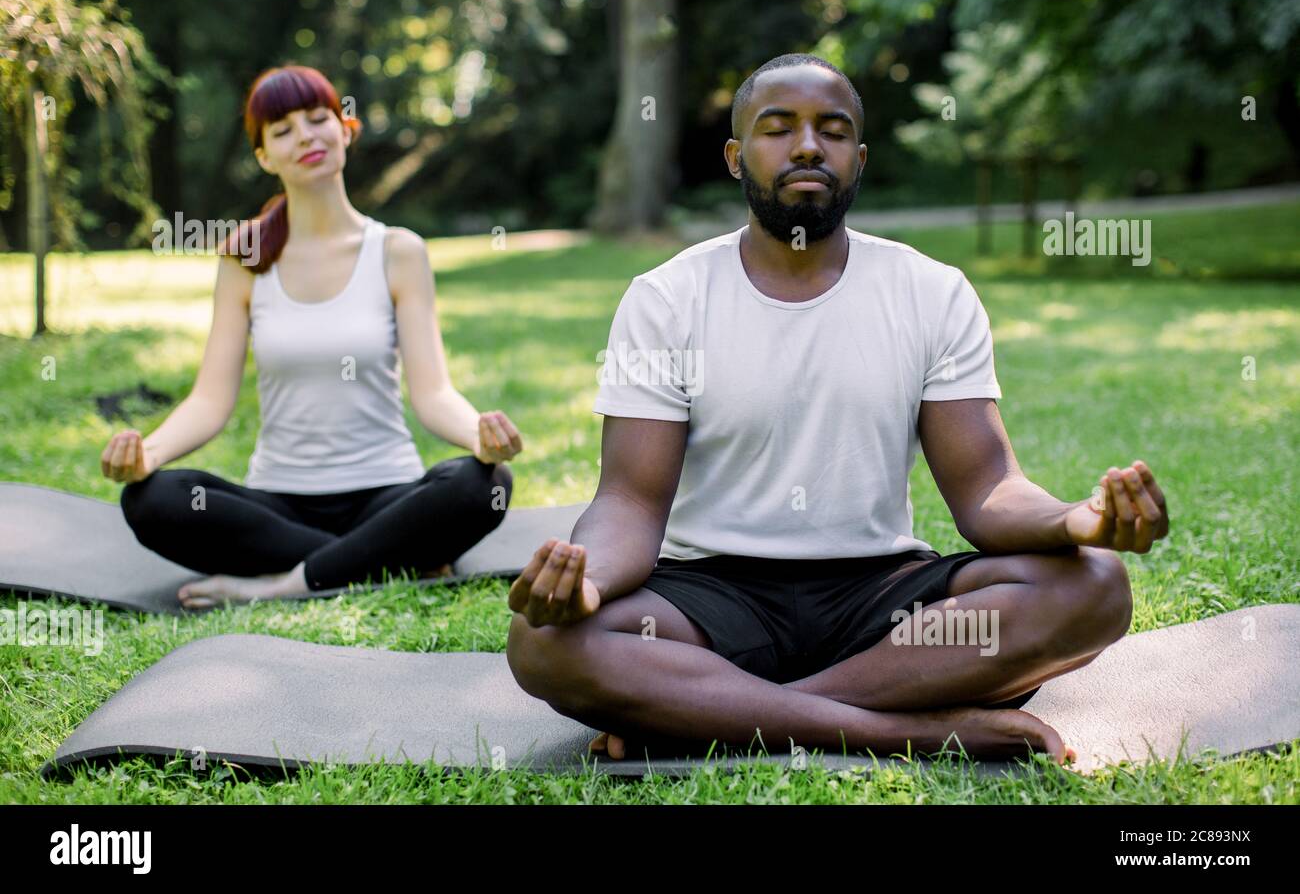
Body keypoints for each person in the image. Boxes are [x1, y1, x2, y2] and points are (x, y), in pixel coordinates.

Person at [505, 54, 1169, 766]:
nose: (807, 146)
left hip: (882, 606)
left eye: (833, 129)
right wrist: (589, 583)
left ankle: (709, 713)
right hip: (710, 604)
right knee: (543, 641)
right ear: (736, 157)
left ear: (858, 156)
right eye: (778, 128)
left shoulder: (931, 290)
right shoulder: (665, 298)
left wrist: (1077, 520)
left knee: (1093, 584)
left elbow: (987, 490)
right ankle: (906, 730)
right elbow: (630, 503)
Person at [101, 65, 521, 610]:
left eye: (318, 118)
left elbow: (434, 394)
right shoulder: (245, 258)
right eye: (282, 129)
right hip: (279, 508)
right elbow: (210, 400)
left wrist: (479, 437)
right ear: (264, 157)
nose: (305, 135)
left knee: (482, 484)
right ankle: (384, 561)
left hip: (387, 495)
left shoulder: (398, 252)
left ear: (344, 129)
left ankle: (283, 584)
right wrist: (147, 454)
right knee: (152, 500)